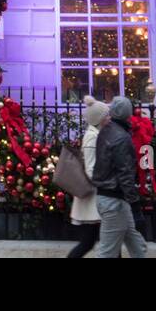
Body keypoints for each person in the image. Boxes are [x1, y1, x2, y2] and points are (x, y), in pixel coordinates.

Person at [90, 96, 147, 259]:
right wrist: (136, 207)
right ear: (128, 114)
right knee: (107, 253)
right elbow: (125, 175)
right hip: (115, 202)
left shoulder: (106, 131)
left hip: (109, 198)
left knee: (138, 247)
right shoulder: (122, 137)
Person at [67, 96, 109, 259]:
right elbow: (90, 168)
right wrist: (105, 183)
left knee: (102, 241)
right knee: (91, 242)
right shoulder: (93, 136)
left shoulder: (96, 134)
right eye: (106, 115)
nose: (109, 118)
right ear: (99, 119)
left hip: (95, 199)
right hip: (93, 199)